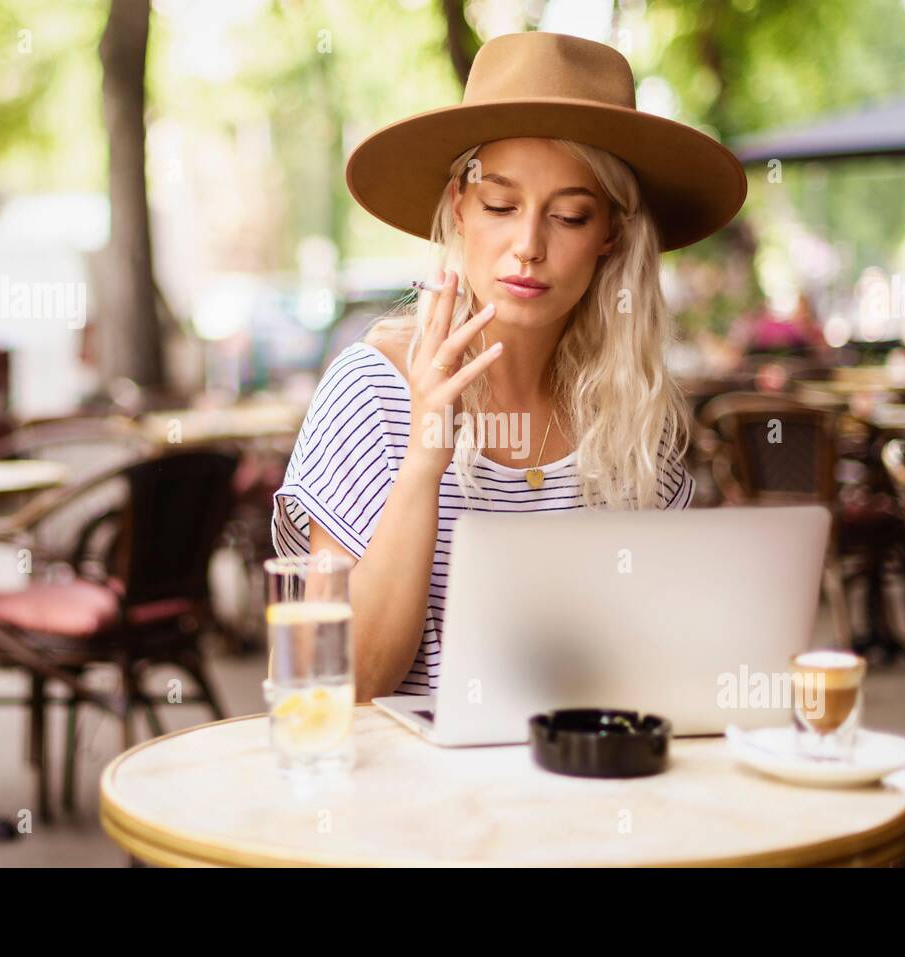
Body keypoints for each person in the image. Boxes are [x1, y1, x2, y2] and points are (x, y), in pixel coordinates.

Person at [271, 32, 747, 699]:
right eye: (499, 205)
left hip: (586, 780)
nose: (528, 246)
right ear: (460, 208)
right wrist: (424, 457)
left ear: (610, 235)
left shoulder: (634, 412)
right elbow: (338, 683)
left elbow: (651, 655)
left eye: (571, 215)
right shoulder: (371, 388)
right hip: (409, 794)